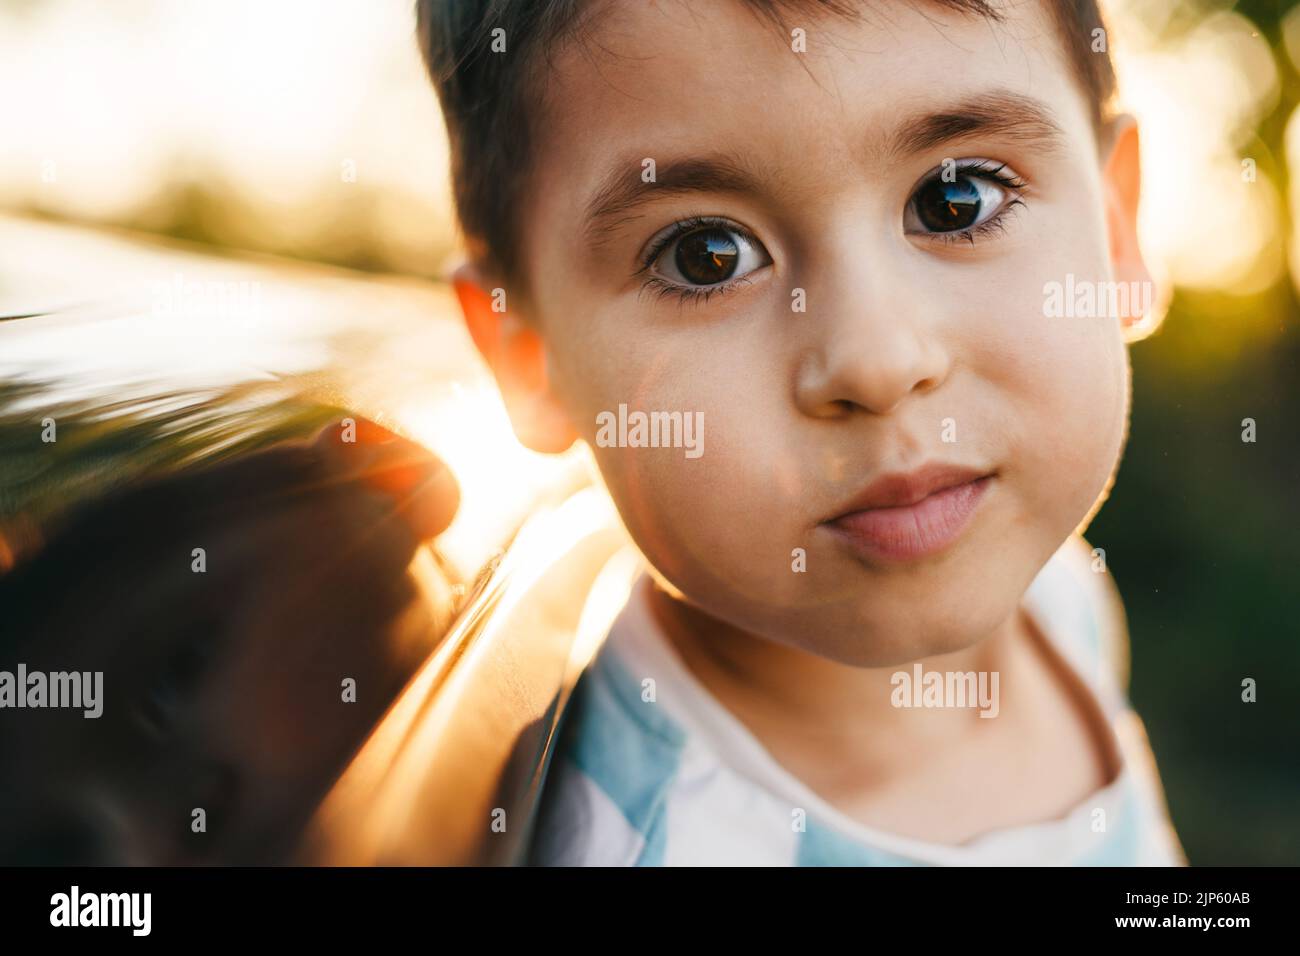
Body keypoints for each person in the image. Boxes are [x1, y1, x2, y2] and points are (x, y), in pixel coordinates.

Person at [417, 0, 1186, 864]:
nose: (876, 362)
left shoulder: (1059, 599)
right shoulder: (651, 845)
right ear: (529, 355)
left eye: (955, 199)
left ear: (1117, 235)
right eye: (706, 254)